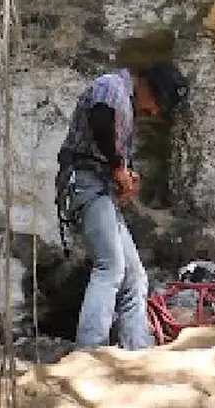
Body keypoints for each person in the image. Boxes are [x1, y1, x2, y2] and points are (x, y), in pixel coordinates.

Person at [55, 62, 189, 349]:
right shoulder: (112, 86)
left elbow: (110, 148)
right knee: (110, 267)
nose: (153, 112)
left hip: (101, 188)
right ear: (148, 86)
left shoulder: (126, 103)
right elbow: (100, 119)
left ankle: (137, 347)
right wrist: (118, 168)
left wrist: (127, 176)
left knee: (135, 277)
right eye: (157, 103)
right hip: (85, 183)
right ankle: (91, 349)